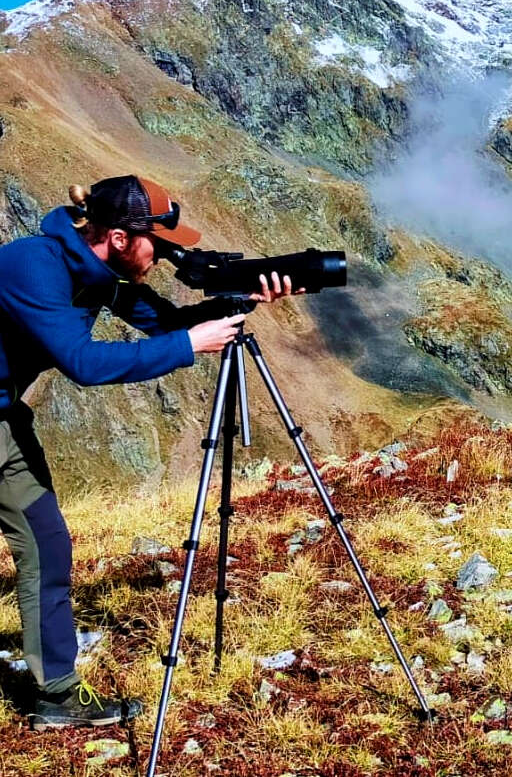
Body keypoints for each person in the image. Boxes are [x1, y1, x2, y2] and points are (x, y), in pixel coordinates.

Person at [0, 175, 301, 730]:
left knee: (46, 542)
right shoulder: (31, 266)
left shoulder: (98, 272)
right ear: (118, 237)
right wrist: (190, 346)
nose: (162, 256)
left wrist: (243, 300)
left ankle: (57, 695)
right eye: (156, 245)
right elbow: (84, 364)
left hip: (2, 420)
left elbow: (165, 321)